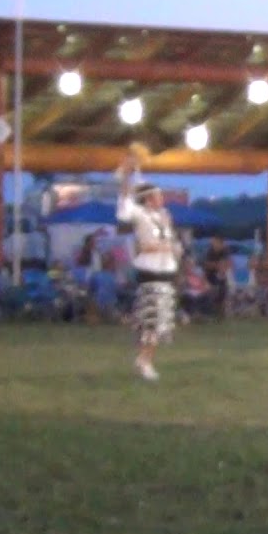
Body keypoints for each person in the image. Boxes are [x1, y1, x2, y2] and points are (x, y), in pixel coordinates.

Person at [115, 147, 182, 381]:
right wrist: (126, 176)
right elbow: (125, 207)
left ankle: (145, 360)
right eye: (158, 195)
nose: (161, 198)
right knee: (151, 319)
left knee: (161, 320)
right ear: (149, 198)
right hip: (150, 272)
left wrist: (173, 247)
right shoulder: (141, 215)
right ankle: (144, 361)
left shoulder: (164, 216)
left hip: (166, 272)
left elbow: (170, 240)